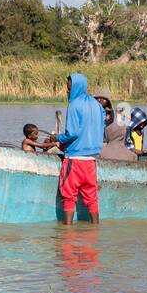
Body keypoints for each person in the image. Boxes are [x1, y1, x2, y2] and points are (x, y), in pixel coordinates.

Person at [40, 74, 104, 224]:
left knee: (68, 195)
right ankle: (95, 228)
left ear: (75, 88)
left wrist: (57, 138)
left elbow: (72, 133)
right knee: (91, 198)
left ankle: (66, 232)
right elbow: (101, 128)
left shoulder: (75, 104)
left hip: (75, 159)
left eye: (69, 89)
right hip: (91, 160)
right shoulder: (97, 105)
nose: (68, 92)